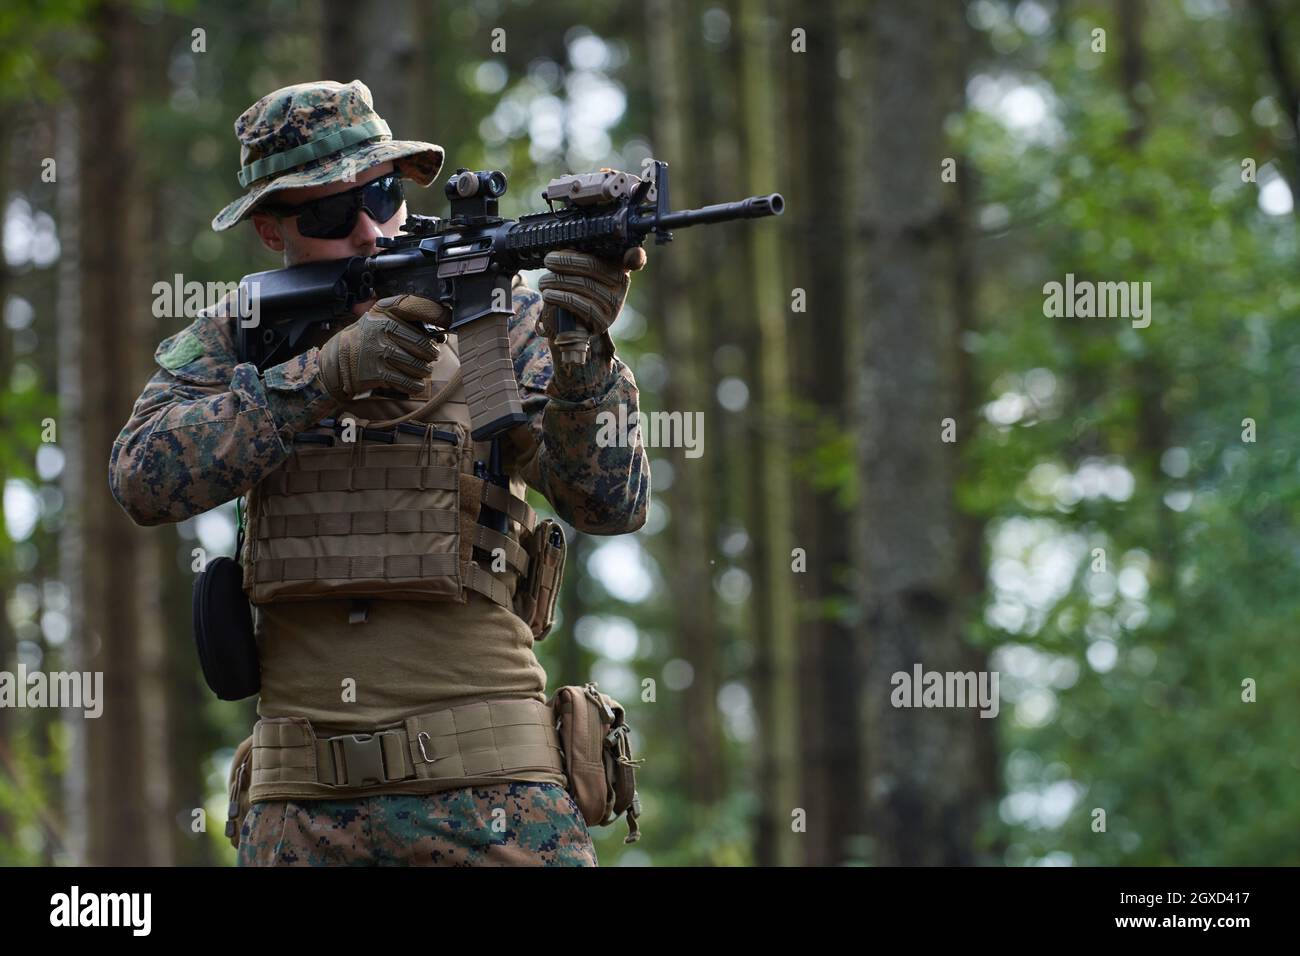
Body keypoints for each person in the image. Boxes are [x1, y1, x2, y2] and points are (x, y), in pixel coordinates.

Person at [109, 79, 650, 866]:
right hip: (300, 810)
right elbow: (140, 477)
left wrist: (582, 356)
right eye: (330, 215)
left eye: (383, 195)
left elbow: (611, 501)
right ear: (271, 230)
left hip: (494, 798)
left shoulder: (507, 318)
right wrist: (318, 378)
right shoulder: (244, 333)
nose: (369, 230)